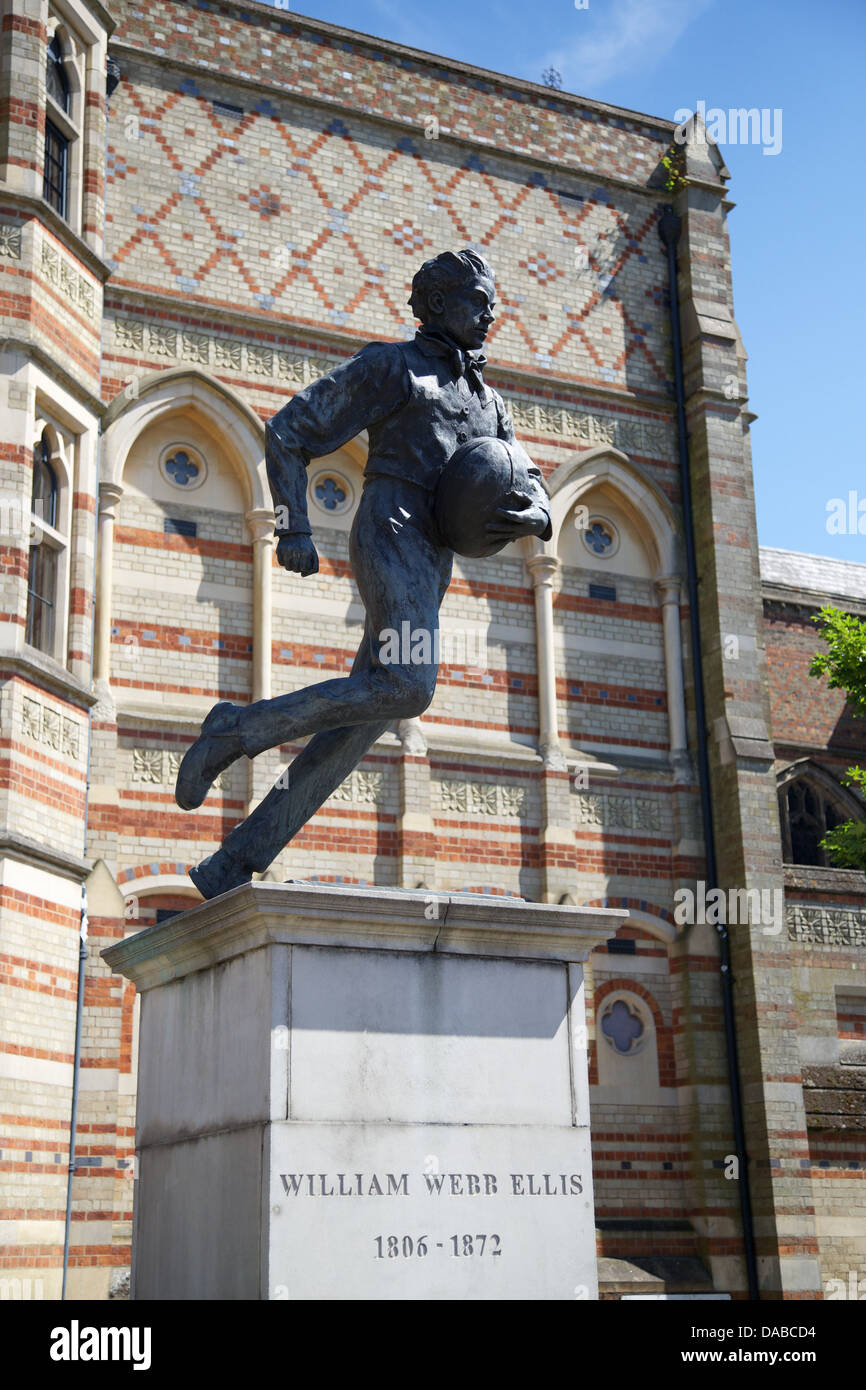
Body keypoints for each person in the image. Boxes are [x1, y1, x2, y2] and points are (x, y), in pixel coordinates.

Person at [175, 249, 552, 899]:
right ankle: (236, 729)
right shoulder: (392, 367)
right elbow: (290, 430)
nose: (491, 313)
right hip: (391, 527)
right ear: (435, 306)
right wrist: (294, 526)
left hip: (437, 557)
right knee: (408, 684)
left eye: (494, 301)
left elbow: (529, 482)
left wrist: (535, 515)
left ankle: (235, 860)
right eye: (477, 300)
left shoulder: (491, 405)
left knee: (361, 718)